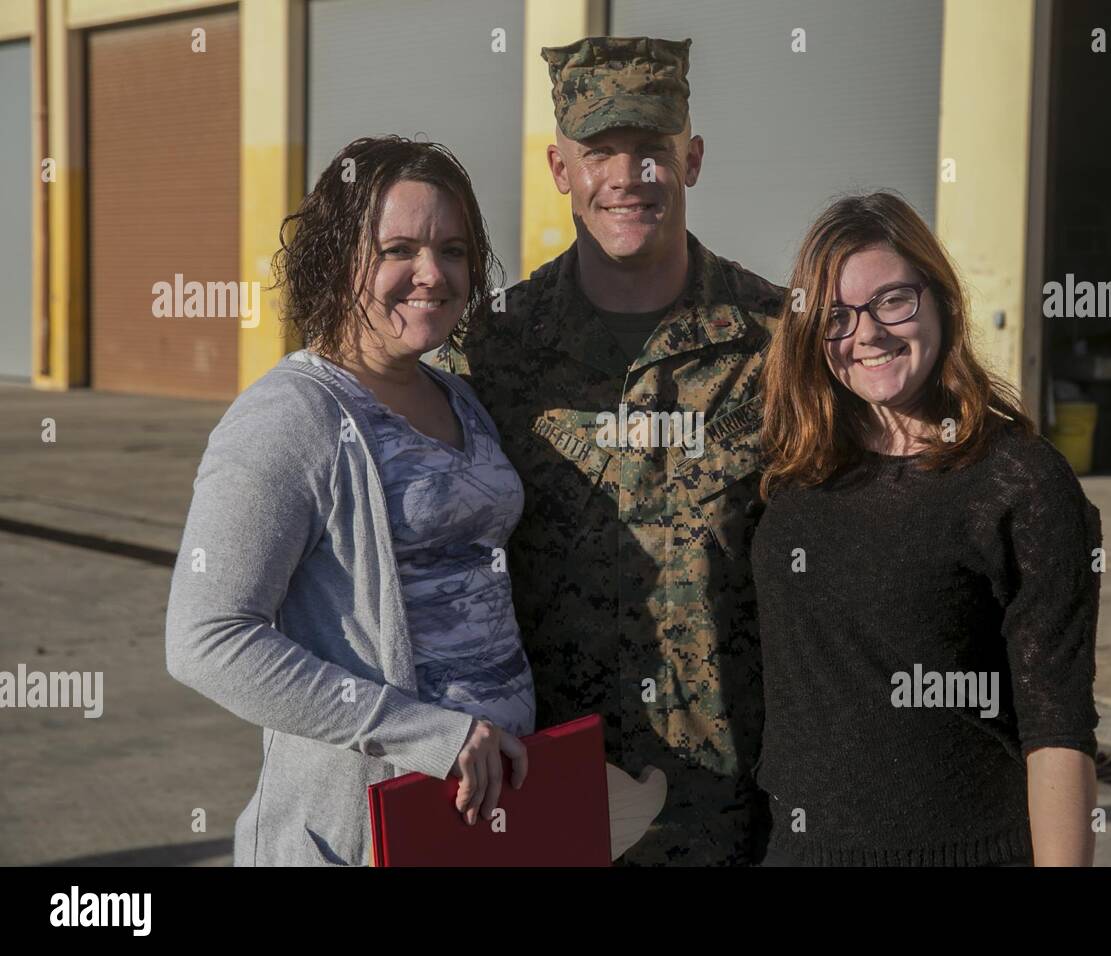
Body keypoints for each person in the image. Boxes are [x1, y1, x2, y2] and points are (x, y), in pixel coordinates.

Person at [437, 36, 785, 865]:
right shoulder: (492, 351)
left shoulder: (775, 344)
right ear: (561, 169)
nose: (627, 177)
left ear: (691, 160)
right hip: (538, 788)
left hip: (725, 809)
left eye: (652, 152)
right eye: (599, 153)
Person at [165, 136, 530, 866]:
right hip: (366, 829)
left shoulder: (457, 395)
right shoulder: (290, 417)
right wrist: (432, 735)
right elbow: (205, 642)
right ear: (336, 261)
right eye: (399, 248)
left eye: (453, 250)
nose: (432, 274)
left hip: (490, 813)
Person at [753, 192, 1102, 866]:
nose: (868, 334)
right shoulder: (792, 468)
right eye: (837, 316)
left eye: (893, 301)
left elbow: (1057, 725)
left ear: (941, 299)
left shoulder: (1019, 482)